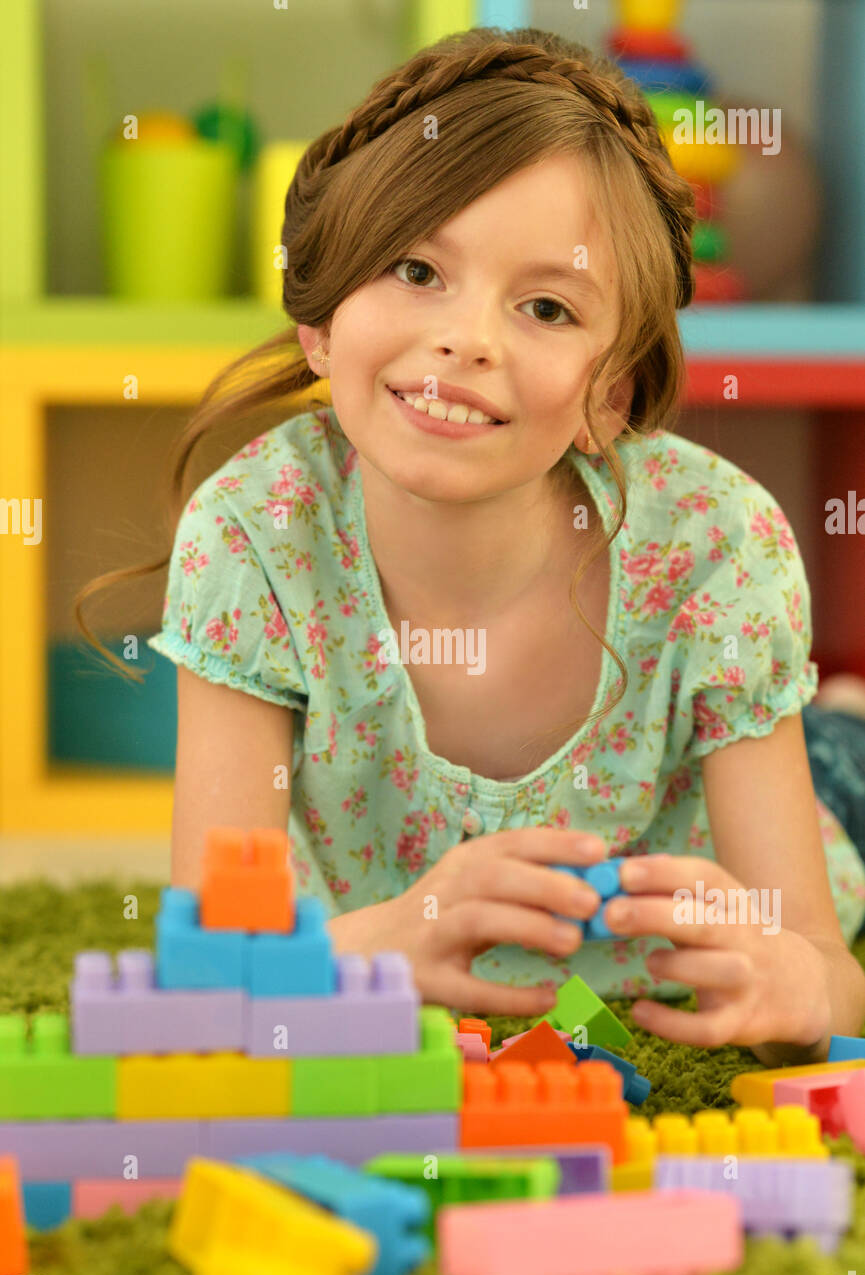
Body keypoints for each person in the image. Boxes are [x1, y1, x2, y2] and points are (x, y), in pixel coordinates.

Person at [77, 27, 865, 1064]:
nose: (468, 339)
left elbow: (822, 968)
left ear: (610, 395)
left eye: (545, 306)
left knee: (836, 762)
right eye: (415, 269)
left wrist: (799, 980)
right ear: (320, 322)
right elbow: (213, 971)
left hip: (763, 793)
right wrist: (384, 949)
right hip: (385, 918)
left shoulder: (716, 548)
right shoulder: (254, 535)